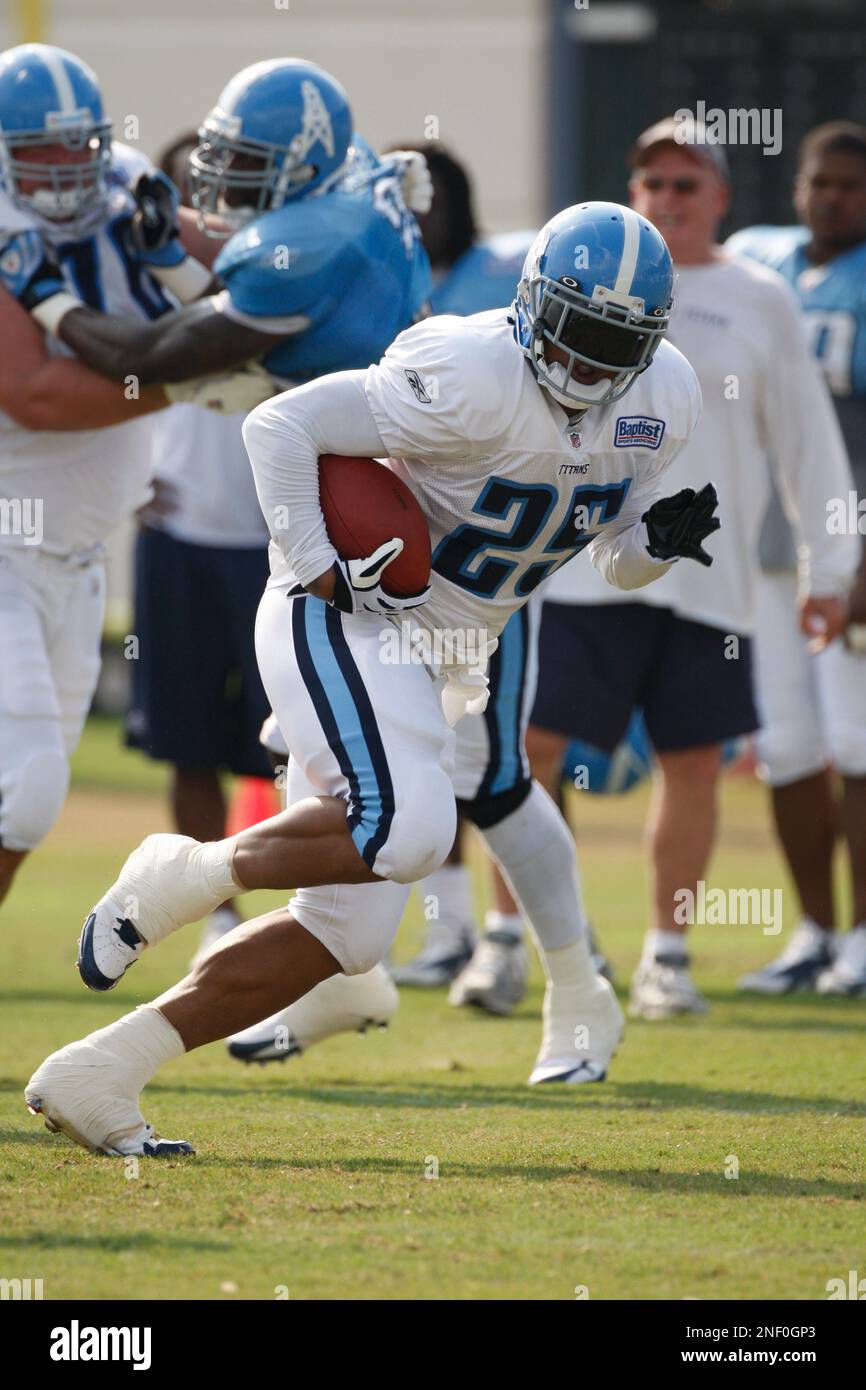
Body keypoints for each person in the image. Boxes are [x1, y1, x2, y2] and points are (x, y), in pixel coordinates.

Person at [24, 201, 715, 1155]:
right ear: (531, 309)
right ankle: (184, 870)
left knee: (348, 937)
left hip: (444, 652)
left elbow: (612, 556)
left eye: (617, 344)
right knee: (412, 828)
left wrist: (657, 551)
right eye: (578, 334)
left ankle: (101, 1070)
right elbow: (279, 426)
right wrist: (312, 559)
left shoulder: (662, 397)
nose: (592, 366)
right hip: (350, 613)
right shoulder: (467, 370)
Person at [512, 118, 858, 1021]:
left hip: (710, 576)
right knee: (534, 748)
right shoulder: (583, 273)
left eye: (686, 184)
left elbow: (808, 443)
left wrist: (833, 563)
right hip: (588, 565)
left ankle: (667, 956)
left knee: (693, 761)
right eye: (653, 182)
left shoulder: (761, 296)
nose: (668, 200)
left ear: (722, 197)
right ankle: (514, 945)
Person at [0, 43, 201, 908]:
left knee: (23, 799)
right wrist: (192, 379)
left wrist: (177, 249)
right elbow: (34, 394)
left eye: (72, 147)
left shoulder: (124, 184)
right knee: (34, 782)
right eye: (34, 152)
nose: (58, 171)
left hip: (79, 559)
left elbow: (223, 290)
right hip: (8, 543)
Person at [728, 121, 866, 996]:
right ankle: (815, 928)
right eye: (821, 183)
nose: (832, 199)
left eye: (851, 186)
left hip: (850, 539)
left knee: (856, 745)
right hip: (767, 544)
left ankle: (864, 934)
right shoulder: (760, 265)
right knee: (786, 746)